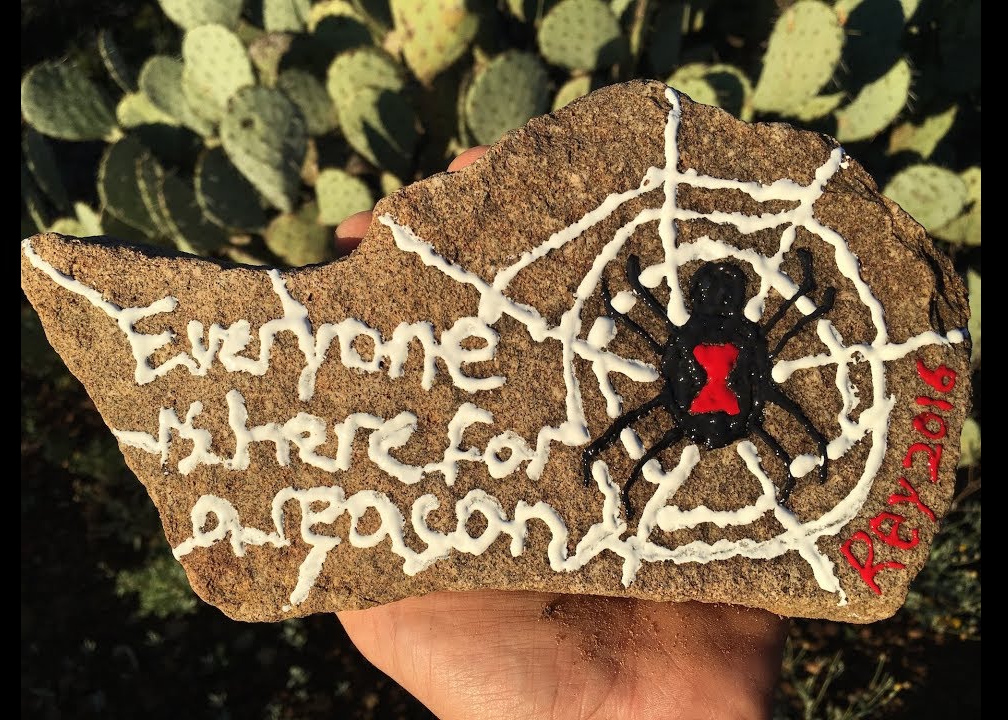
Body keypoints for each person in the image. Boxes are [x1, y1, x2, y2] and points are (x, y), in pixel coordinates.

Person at [329, 147, 787, 720]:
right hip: (718, 423)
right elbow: (742, 374)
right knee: (660, 417)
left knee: (652, 419)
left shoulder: (707, 337)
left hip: (702, 423)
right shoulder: (746, 336)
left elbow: (675, 366)